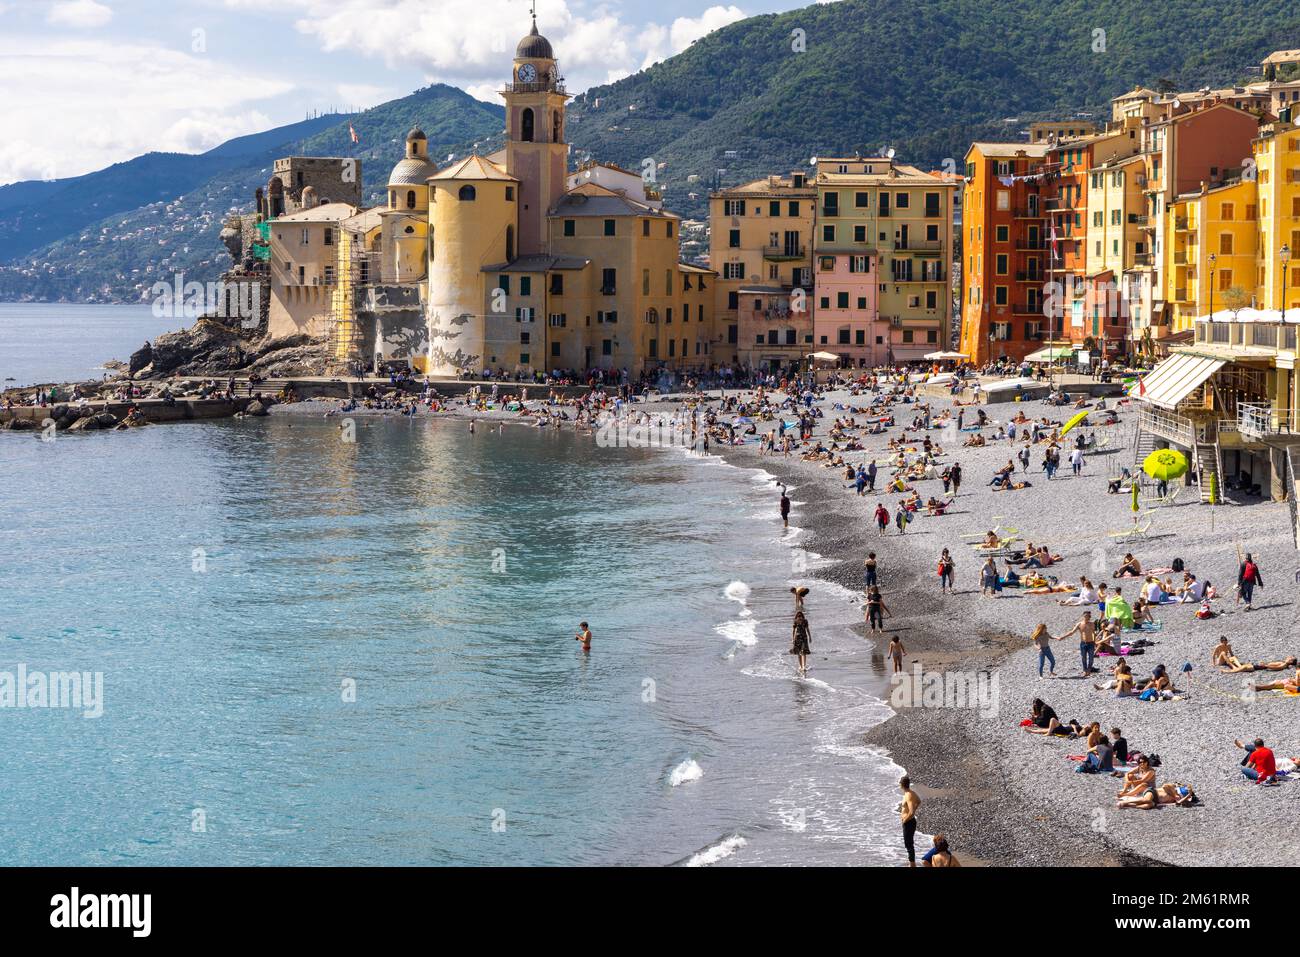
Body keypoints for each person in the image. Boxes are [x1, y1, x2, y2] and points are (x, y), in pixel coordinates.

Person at [898, 776, 921, 867]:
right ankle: (911, 862)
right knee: (909, 843)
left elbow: (911, 812)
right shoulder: (911, 793)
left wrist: (905, 820)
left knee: (908, 844)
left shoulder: (908, 795)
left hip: (909, 822)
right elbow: (918, 801)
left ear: (902, 785)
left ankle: (912, 865)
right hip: (910, 822)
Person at [790, 609, 812, 676]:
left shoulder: (805, 621)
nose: (800, 617)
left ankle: (803, 666)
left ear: (802, 616)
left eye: (801, 616)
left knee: (804, 652)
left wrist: (810, 637)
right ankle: (800, 665)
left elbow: (807, 629)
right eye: (798, 616)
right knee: (798, 652)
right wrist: (793, 639)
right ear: (797, 617)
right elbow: (793, 631)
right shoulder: (795, 621)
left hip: (804, 638)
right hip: (797, 638)